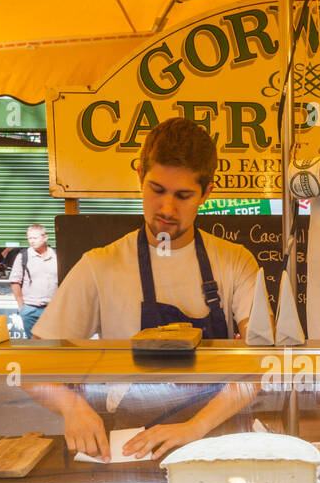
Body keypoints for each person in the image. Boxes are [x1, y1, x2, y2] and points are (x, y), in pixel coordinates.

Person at [31, 117, 260, 462]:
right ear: (139, 176)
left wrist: (194, 428)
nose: (167, 209)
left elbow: (260, 365)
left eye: (183, 196)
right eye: (157, 190)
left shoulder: (235, 262)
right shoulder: (100, 266)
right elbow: (31, 366)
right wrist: (71, 406)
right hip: (133, 446)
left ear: (207, 193)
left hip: (215, 435)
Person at [9, 224, 58, 338]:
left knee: (55, 344)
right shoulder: (23, 256)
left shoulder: (56, 255)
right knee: (34, 345)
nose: (31, 241)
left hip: (53, 309)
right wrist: (22, 306)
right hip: (30, 309)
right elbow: (15, 281)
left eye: (35, 238)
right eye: (29, 238)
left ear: (45, 237)